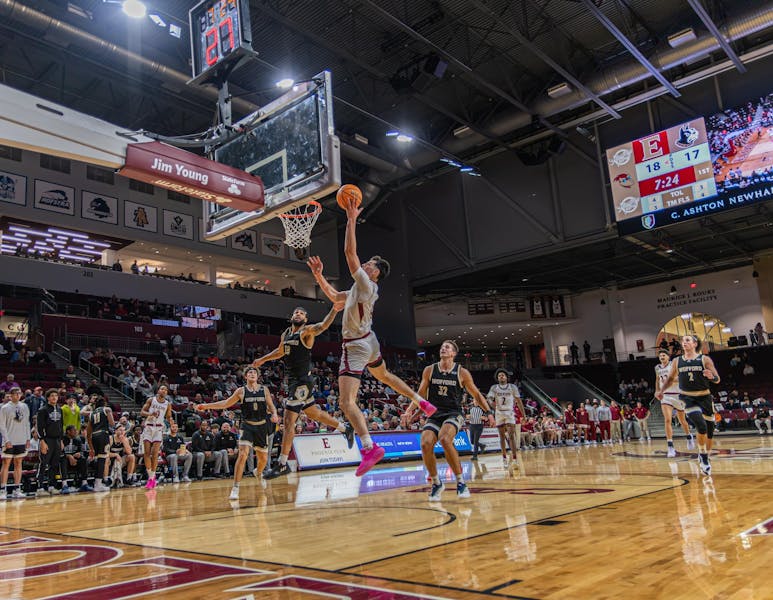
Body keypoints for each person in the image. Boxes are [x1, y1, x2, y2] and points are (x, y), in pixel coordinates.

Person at [307, 193, 435, 476]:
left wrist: (351, 220)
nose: (366, 264)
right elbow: (335, 298)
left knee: (345, 402)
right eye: (368, 263)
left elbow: (349, 254)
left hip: (355, 346)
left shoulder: (365, 284)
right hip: (369, 340)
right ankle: (422, 402)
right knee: (384, 376)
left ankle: (369, 447)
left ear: (376, 273)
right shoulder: (358, 289)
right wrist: (319, 276)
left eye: (371, 264)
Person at [253, 305, 355, 480]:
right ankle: (345, 428)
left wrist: (335, 310)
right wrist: (262, 359)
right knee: (313, 413)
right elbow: (279, 352)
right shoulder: (285, 334)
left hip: (302, 382)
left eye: (301, 313)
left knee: (288, 419)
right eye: (296, 313)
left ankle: (282, 464)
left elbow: (322, 326)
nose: (298, 314)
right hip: (293, 381)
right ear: (292, 316)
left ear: (305, 319)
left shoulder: (306, 331)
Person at [404, 340, 492, 501]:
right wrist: (409, 411)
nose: (443, 348)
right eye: (442, 346)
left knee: (445, 439)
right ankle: (437, 482)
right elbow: (420, 393)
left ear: (453, 354)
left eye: (448, 347)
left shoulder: (462, 372)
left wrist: (489, 411)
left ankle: (461, 482)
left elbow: (477, 395)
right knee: (425, 443)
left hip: (453, 413)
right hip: (435, 413)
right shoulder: (430, 370)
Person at [195, 366, 278, 500]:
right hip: (247, 426)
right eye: (249, 372)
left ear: (258, 376)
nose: (252, 374)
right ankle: (235, 487)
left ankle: (258, 472)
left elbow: (271, 406)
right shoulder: (241, 391)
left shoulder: (264, 390)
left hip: (262, 426)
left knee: (263, 459)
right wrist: (206, 406)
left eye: (254, 372)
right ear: (245, 376)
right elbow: (225, 404)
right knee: (243, 454)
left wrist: (274, 413)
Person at [657, 335, 721, 476]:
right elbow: (669, 379)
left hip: (704, 397)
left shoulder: (705, 359)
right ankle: (703, 456)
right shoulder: (677, 361)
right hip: (687, 398)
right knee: (701, 426)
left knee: (710, 432)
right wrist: (661, 391)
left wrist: (712, 377)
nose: (684, 342)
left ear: (694, 343)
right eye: (683, 340)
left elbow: (717, 379)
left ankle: (705, 455)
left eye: (687, 340)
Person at [654, 349, 694, 457]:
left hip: (677, 394)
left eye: (663, 355)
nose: (661, 357)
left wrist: (671, 380)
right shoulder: (657, 368)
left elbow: (681, 378)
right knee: (667, 420)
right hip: (666, 396)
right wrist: (657, 390)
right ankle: (670, 446)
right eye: (660, 356)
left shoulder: (674, 365)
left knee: (682, 421)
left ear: (668, 357)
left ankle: (689, 436)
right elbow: (657, 380)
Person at [487, 369, 526, 467]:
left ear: (507, 377)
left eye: (503, 375)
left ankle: (514, 458)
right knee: (502, 437)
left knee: (511, 436)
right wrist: (491, 402)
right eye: (499, 375)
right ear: (497, 378)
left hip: (509, 413)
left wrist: (524, 415)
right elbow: (489, 398)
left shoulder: (512, 387)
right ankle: (504, 458)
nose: (501, 376)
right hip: (499, 413)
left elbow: (519, 401)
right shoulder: (494, 387)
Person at [138, 384, 172, 489]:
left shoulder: (167, 404)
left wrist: (171, 421)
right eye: (162, 389)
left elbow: (168, 416)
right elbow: (142, 412)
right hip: (148, 427)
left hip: (158, 429)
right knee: (147, 453)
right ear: (158, 390)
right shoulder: (151, 400)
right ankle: (151, 478)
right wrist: (151, 414)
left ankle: (152, 478)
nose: (164, 391)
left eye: (166, 390)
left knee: (155, 454)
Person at [0, 387, 30, 499]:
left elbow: (27, 423)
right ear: (10, 395)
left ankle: (17, 489)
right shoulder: (5, 408)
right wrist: (6, 440)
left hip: (21, 439)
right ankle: (3, 490)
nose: (17, 395)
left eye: (19, 393)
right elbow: (2, 425)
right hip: (9, 440)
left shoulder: (25, 406)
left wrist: (28, 438)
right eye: (15, 394)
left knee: (18, 463)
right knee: (6, 464)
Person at [36, 388, 65, 495]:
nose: (54, 397)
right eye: (52, 395)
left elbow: (61, 426)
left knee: (54, 464)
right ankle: (40, 488)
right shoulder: (43, 410)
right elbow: (39, 428)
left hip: (57, 440)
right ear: (48, 397)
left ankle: (51, 486)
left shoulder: (60, 409)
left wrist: (61, 440)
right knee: (44, 463)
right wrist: (42, 441)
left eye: (56, 395)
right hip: (46, 439)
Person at [86, 396, 114, 492]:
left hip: (94, 436)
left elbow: (88, 432)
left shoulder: (91, 414)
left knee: (98, 459)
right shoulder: (107, 409)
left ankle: (96, 482)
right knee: (102, 459)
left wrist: (91, 447)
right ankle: (98, 484)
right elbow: (112, 423)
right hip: (103, 434)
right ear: (104, 403)